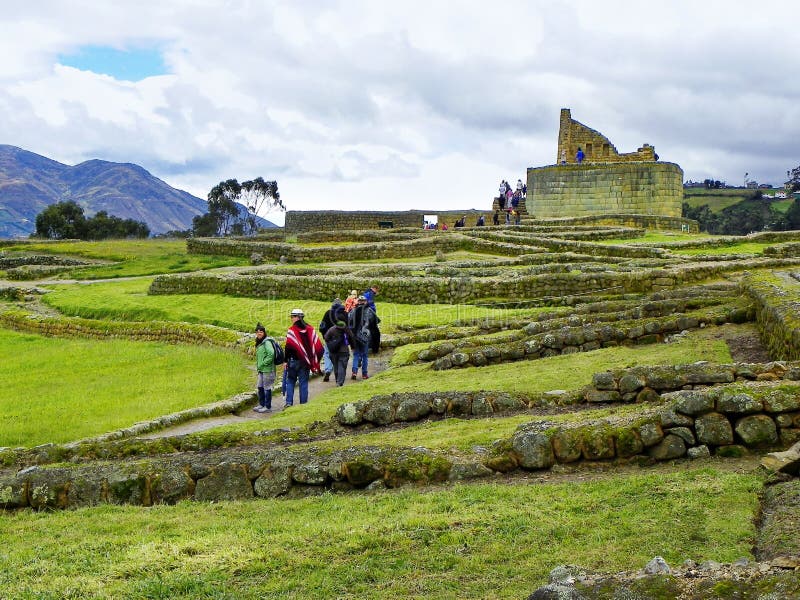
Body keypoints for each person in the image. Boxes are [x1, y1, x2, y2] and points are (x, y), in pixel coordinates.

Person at [283, 308, 323, 406]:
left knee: (291, 381)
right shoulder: (310, 329)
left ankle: (289, 403)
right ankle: (303, 404)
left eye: (293, 316)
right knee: (303, 383)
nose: (291, 318)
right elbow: (319, 348)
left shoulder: (292, 330)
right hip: (306, 362)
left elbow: (288, 347)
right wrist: (314, 360)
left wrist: (285, 361)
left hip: (293, 361)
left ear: (298, 317)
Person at [348, 295, 380, 380]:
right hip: (366, 336)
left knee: (356, 354)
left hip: (355, 336)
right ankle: (364, 374)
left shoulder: (353, 311)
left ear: (358, 302)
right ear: (365, 302)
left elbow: (348, 321)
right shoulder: (370, 311)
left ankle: (354, 372)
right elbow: (377, 321)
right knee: (365, 355)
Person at [318, 299, 346, 381]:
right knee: (339, 355)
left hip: (328, 338)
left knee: (327, 354)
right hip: (340, 339)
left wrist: (324, 335)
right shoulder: (343, 314)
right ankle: (338, 373)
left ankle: (328, 370)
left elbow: (322, 326)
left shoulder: (328, 313)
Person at [324, 319, 354, 386]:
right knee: (342, 367)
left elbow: (326, 338)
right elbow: (352, 338)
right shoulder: (347, 329)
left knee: (336, 366)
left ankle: (338, 380)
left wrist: (332, 342)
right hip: (344, 351)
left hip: (333, 352)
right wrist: (353, 347)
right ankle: (340, 382)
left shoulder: (332, 329)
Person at [253, 323, 275, 412]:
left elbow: (271, 354)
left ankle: (267, 407)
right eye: (257, 332)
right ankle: (261, 404)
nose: (259, 333)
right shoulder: (260, 342)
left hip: (268, 370)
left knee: (267, 388)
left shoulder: (267, 342)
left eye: (261, 332)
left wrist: (263, 363)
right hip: (262, 370)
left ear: (264, 332)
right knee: (260, 387)